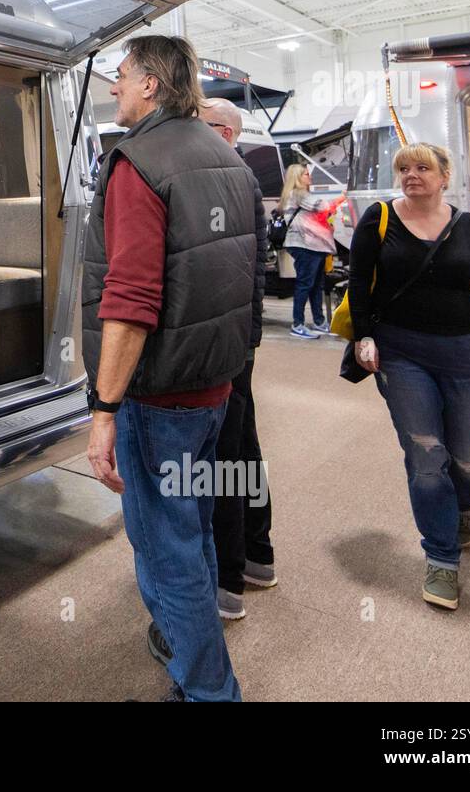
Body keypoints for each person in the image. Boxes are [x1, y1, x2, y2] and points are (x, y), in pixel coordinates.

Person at [83, 36, 256, 702]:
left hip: (157, 398)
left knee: (165, 550)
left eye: (121, 77)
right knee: (193, 534)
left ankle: (210, 691)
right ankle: (188, 654)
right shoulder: (223, 155)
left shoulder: (138, 162)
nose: (114, 88)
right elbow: (242, 276)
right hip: (214, 388)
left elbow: (129, 303)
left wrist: (104, 410)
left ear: (151, 84)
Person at [350, 142, 470, 611]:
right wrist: (363, 336)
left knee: (467, 456)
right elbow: (358, 279)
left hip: (461, 353)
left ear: (445, 176)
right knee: (427, 453)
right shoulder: (379, 218)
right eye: (404, 168)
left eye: (423, 168)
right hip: (401, 351)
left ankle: (462, 506)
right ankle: (441, 557)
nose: (412, 175)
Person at [198, 98, 276, 618]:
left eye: (198, 125)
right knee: (243, 445)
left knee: (225, 454)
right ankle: (256, 555)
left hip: (227, 342)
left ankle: (228, 579)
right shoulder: (241, 179)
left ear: (224, 132)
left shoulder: (227, 182)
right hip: (237, 339)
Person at [279, 163, 338, 339]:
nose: (309, 177)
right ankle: (298, 324)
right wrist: (342, 197)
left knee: (314, 285)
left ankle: (319, 322)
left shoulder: (300, 195)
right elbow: (322, 206)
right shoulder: (298, 194)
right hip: (304, 244)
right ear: (297, 177)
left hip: (314, 245)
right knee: (306, 284)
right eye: (305, 174)